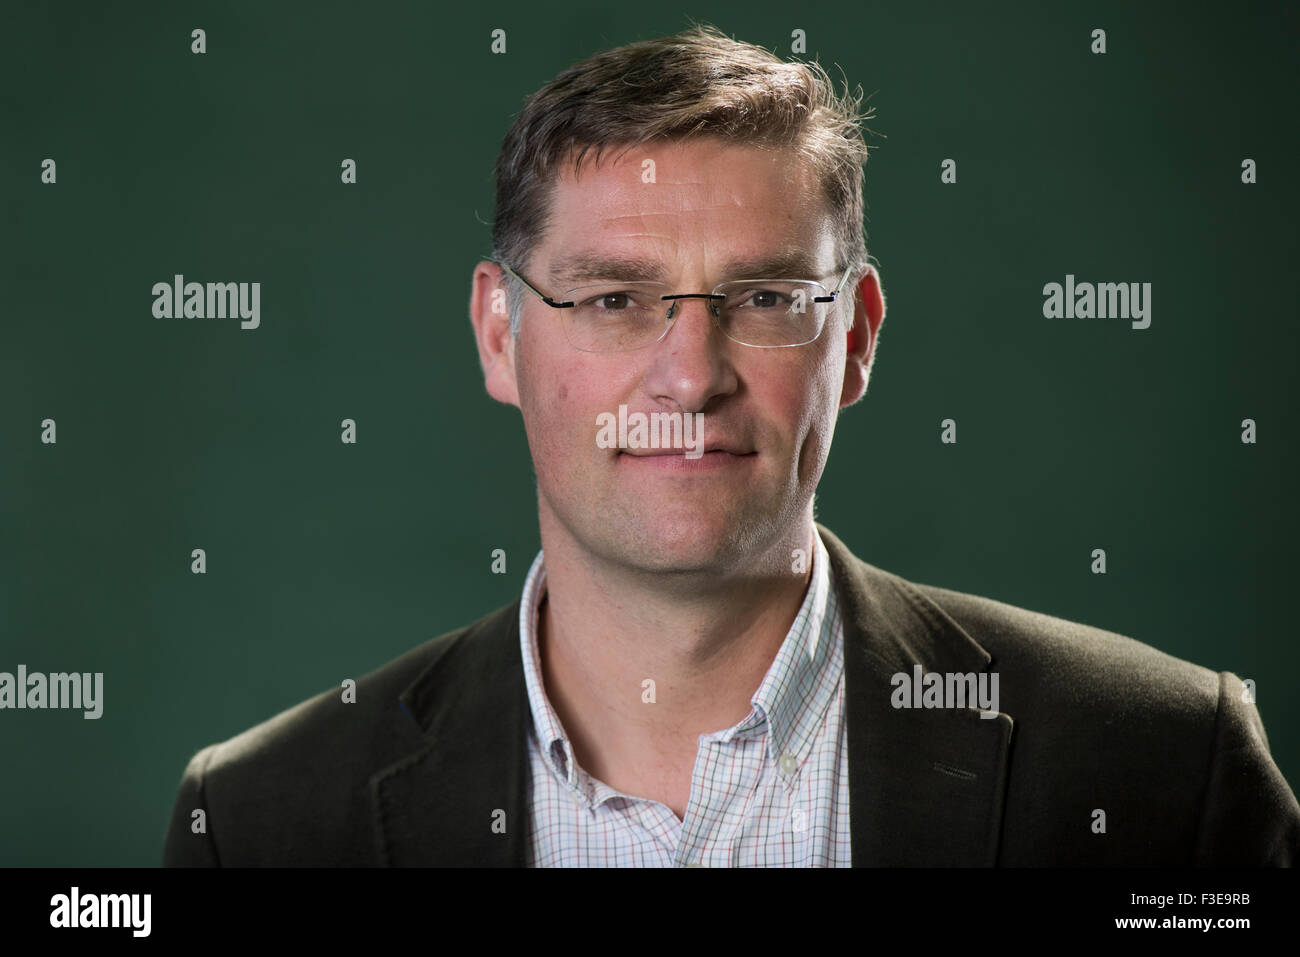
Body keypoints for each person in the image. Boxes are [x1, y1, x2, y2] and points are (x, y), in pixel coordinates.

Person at [162, 23, 1300, 867]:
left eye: (763, 298)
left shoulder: (1161, 773)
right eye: (614, 299)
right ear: (500, 335)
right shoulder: (262, 824)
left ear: (855, 339)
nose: (692, 374)